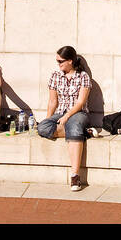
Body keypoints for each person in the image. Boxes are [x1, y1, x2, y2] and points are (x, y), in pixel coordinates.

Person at [37, 45, 91, 190]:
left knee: (73, 125)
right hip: (60, 113)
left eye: (61, 61)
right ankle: (84, 133)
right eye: (57, 61)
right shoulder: (55, 76)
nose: (58, 64)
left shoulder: (83, 76)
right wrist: (48, 120)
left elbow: (80, 102)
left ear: (70, 61)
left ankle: (75, 176)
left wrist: (67, 116)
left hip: (78, 113)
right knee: (42, 127)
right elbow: (53, 101)